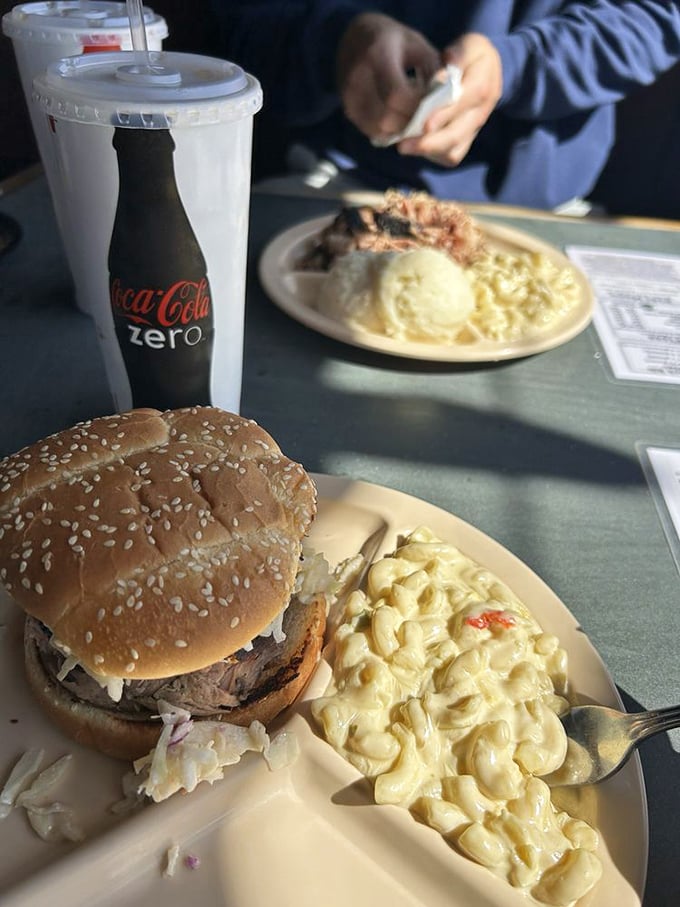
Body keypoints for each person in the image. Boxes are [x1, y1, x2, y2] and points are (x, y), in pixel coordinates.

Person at [207, 1, 680, 212]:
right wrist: (335, 42)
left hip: (538, 205)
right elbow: (233, 30)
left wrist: (517, 65)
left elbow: (654, 17)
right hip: (324, 181)